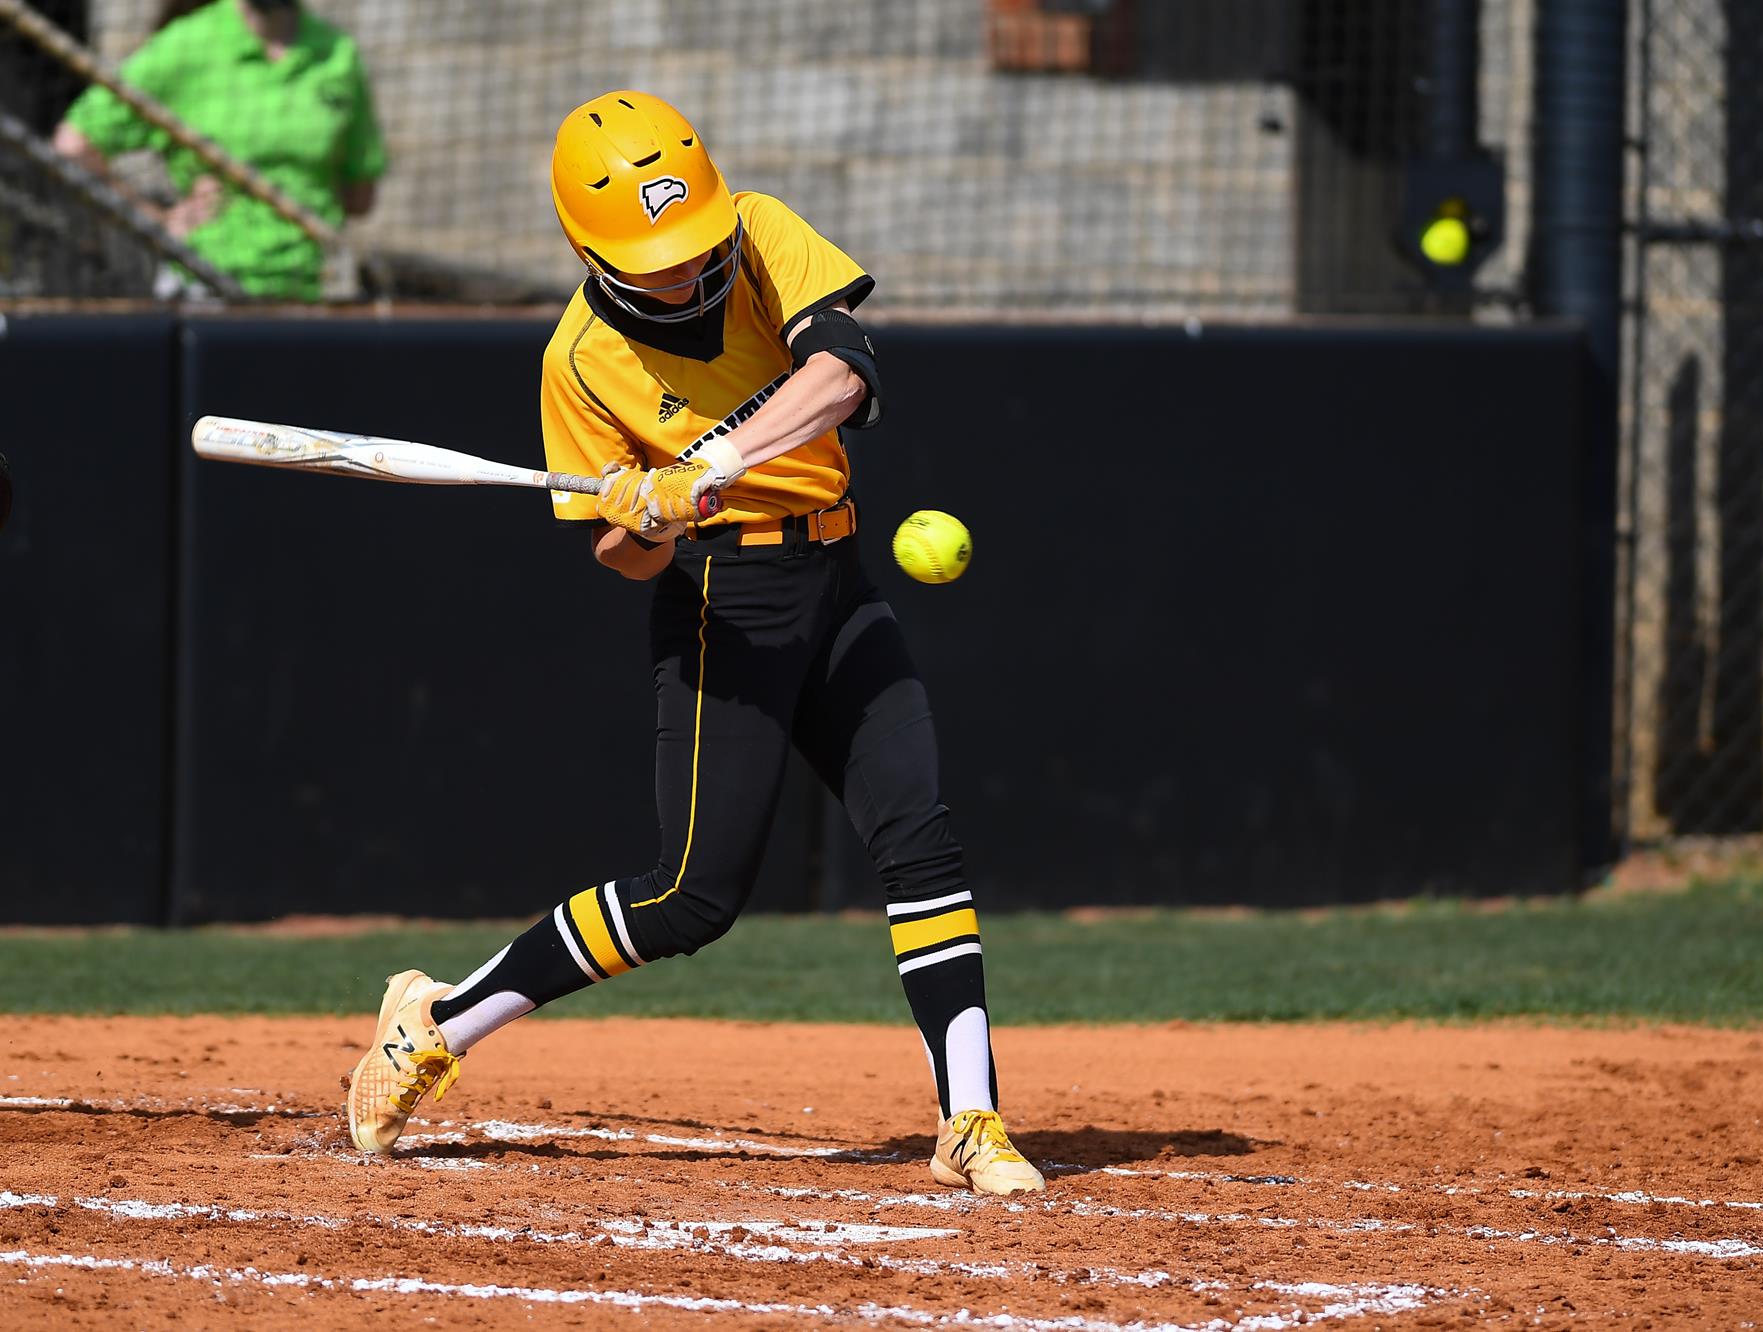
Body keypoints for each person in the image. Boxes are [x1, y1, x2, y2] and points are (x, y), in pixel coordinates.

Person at [342, 90, 1046, 1196]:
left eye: (689, 248)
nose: (681, 272)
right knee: (687, 898)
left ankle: (970, 1120)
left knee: (918, 836)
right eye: (652, 258)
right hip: (727, 602)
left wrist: (704, 468)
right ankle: (436, 1022)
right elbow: (616, 558)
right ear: (590, 249)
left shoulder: (761, 234)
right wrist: (649, 519)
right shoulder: (576, 361)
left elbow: (843, 372)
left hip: (837, 573)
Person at [52, 0, 385, 300]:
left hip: (310, 291)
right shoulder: (189, 44)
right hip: (208, 284)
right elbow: (74, 146)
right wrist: (156, 218)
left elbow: (360, 195)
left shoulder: (337, 52)